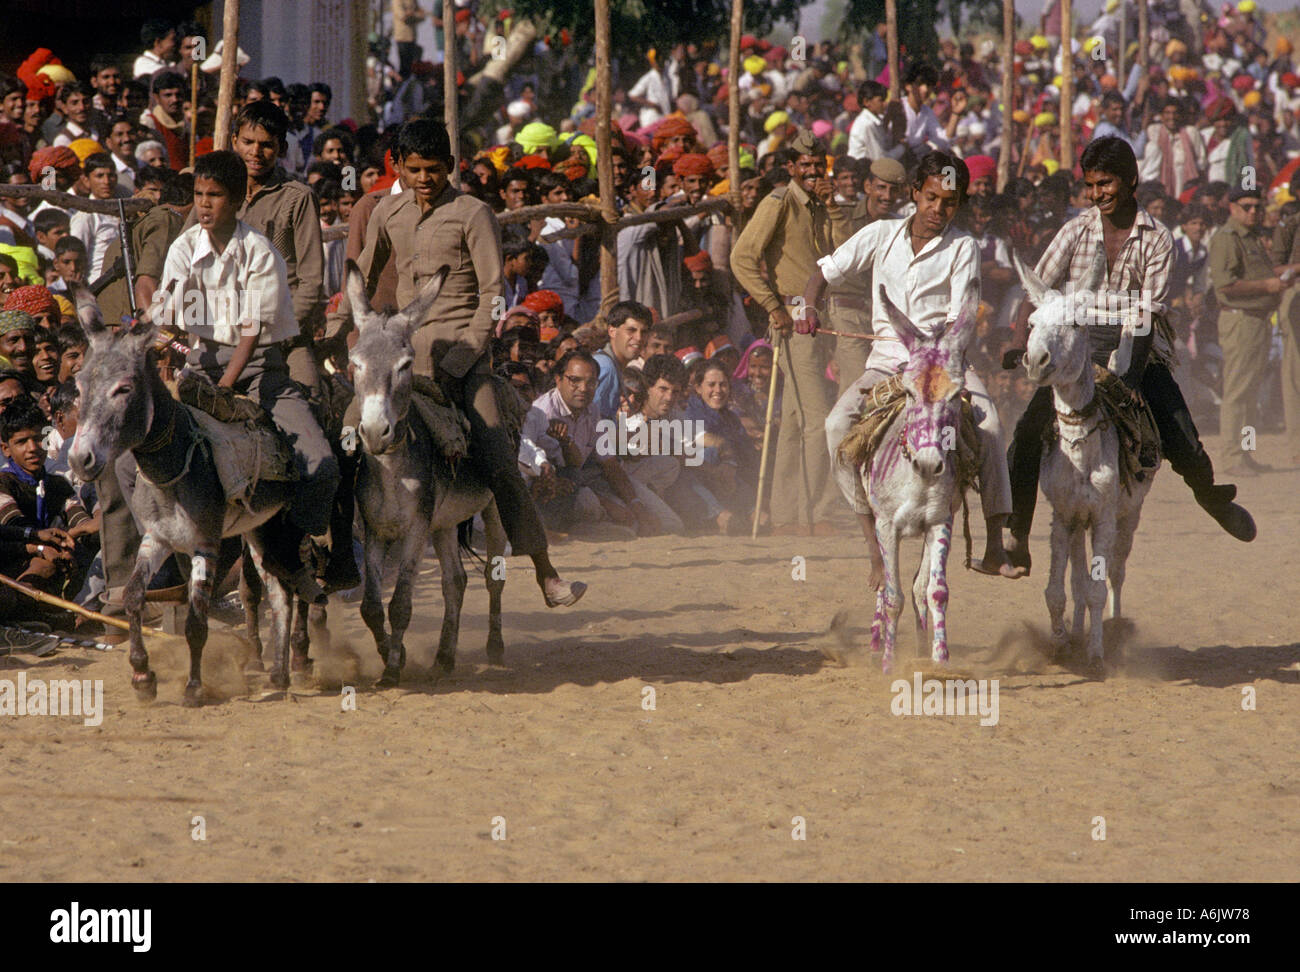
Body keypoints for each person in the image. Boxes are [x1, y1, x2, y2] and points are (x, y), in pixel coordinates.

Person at [346, 120, 585, 607]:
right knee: (346, 437)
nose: (424, 179)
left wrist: (464, 356)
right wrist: (344, 332)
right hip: (401, 360)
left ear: (451, 167)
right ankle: (335, 562)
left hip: (464, 361)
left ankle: (545, 571)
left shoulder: (474, 213)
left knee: (497, 455)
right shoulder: (386, 212)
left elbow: (494, 295)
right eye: (415, 170)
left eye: (434, 170)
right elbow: (362, 279)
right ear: (401, 168)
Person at [1003, 137, 1254, 571]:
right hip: (1077, 343)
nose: (1097, 193)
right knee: (1026, 433)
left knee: (1181, 435)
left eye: (1105, 183)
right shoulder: (1076, 229)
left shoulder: (1158, 239)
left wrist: (1130, 378)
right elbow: (1038, 287)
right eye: (1090, 185)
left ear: (1130, 180)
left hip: (1134, 341)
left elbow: (1145, 315)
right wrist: (1019, 341)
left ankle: (1212, 498)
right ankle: (1016, 535)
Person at [809, 151, 1021, 587]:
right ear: (915, 193)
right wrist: (806, 306)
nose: (938, 209)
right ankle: (873, 543)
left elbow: (961, 314)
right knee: (835, 426)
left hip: (943, 365)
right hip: (886, 363)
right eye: (931, 198)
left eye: (949, 202)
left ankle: (994, 543)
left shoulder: (963, 247)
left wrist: (936, 351)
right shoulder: (880, 234)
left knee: (992, 426)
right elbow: (826, 270)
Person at [153, 150, 339, 604]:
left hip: (259, 371)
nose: (204, 204)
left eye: (215, 195)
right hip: (199, 367)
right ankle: (151, 572)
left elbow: (251, 333)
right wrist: (153, 344)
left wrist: (224, 388)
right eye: (199, 194)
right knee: (133, 454)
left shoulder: (259, 251)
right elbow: (167, 316)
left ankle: (289, 549)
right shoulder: (183, 249)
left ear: (237, 201)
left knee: (321, 464)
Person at [730, 128, 838, 536]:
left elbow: (839, 255)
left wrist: (834, 206)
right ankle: (813, 514)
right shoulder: (778, 202)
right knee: (818, 420)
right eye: (804, 165)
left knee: (794, 420)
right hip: (793, 319)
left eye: (818, 164)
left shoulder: (822, 205)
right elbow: (742, 258)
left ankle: (785, 515)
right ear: (791, 167)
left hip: (820, 318)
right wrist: (772, 306)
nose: (812, 171)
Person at [1210, 186, 1286, 476]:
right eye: (1247, 206)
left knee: (1251, 391)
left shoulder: (1251, 237)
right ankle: (1232, 457)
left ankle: (1245, 452)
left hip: (1257, 319)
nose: (1254, 211)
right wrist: (1267, 286)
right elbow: (1226, 286)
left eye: (1258, 206)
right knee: (1238, 391)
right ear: (1233, 208)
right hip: (1240, 320)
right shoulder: (1227, 239)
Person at [593, 300, 651, 420]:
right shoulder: (606, 367)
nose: (639, 338)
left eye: (644, 332)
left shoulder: (612, 366)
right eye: (631, 330)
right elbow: (593, 421)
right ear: (612, 331)